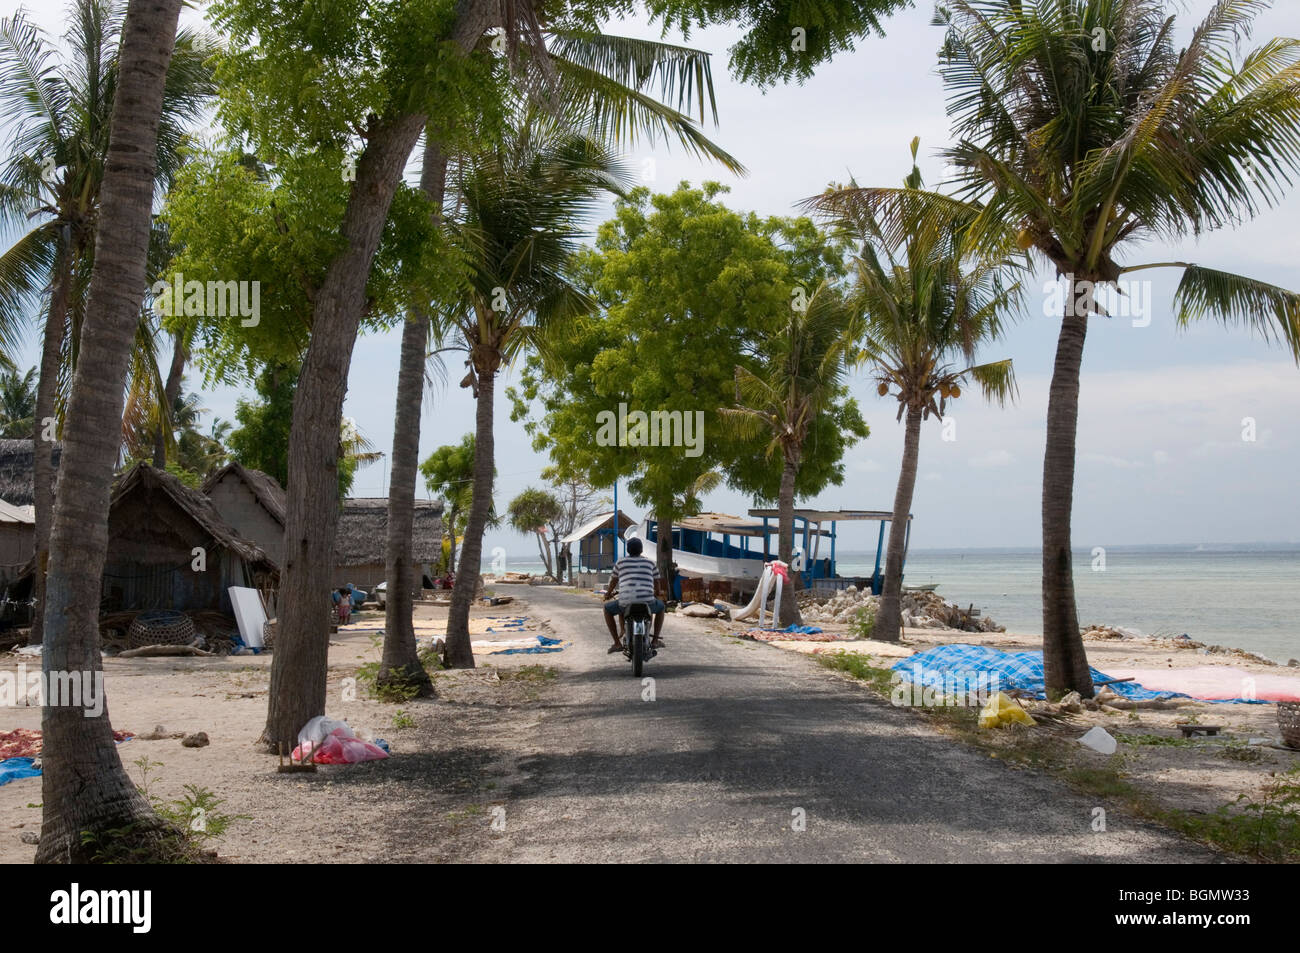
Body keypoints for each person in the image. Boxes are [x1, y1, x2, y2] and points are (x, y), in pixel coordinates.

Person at [603, 537, 665, 653]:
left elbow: (613, 581)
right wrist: (658, 593)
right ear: (641, 550)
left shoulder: (620, 562)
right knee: (661, 607)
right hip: (648, 601)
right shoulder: (650, 563)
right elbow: (657, 582)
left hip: (625, 601)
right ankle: (655, 640)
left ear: (628, 550)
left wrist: (608, 593)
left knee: (607, 609)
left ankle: (617, 643)